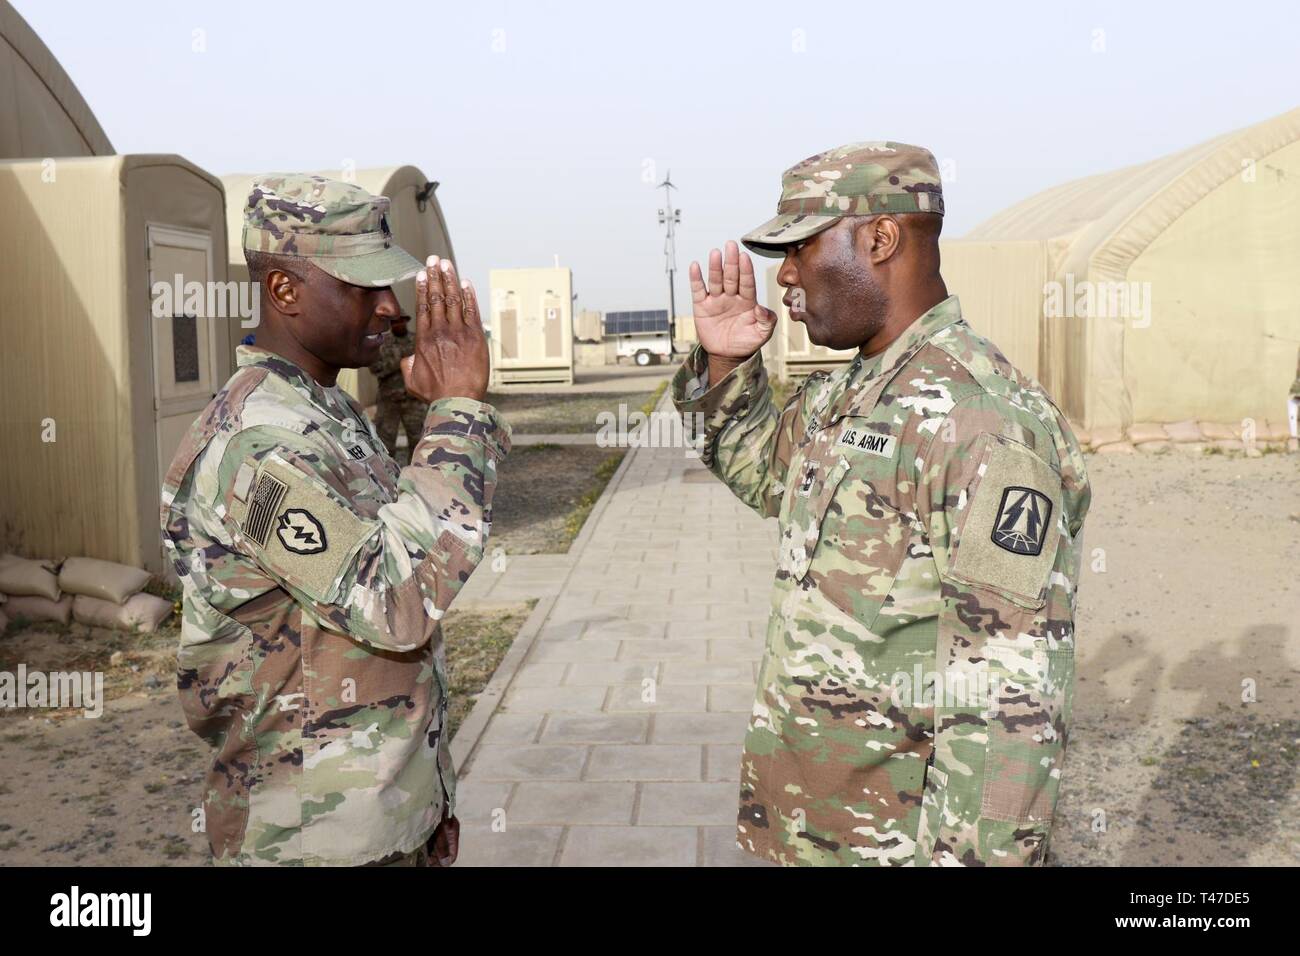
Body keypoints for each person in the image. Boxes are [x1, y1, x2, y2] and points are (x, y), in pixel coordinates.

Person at [672, 142, 1091, 866]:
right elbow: (764, 474)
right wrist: (726, 363)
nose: (787, 276)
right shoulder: (853, 388)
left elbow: (1008, 706)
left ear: (879, 237)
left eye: (801, 248)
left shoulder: (981, 423)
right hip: (810, 827)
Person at [160, 174, 508, 866]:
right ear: (285, 291)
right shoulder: (258, 443)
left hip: (374, 818)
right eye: (361, 287)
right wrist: (458, 415)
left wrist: (426, 802)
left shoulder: (320, 409)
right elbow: (396, 602)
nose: (389, 307)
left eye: (388, 285)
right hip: (316, 837)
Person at [369, 312, 427, 465]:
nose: (398, 324)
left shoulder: (417, 341)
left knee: (419, 443)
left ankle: (417, 479)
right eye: (395, 322)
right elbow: (375, 368)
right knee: (384, 444)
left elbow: (428, 366)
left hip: (413, 401)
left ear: (406, 321)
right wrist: (398, 361)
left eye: (402, 321)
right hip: (389, 402)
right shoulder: (382, 343)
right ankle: (387, 479)